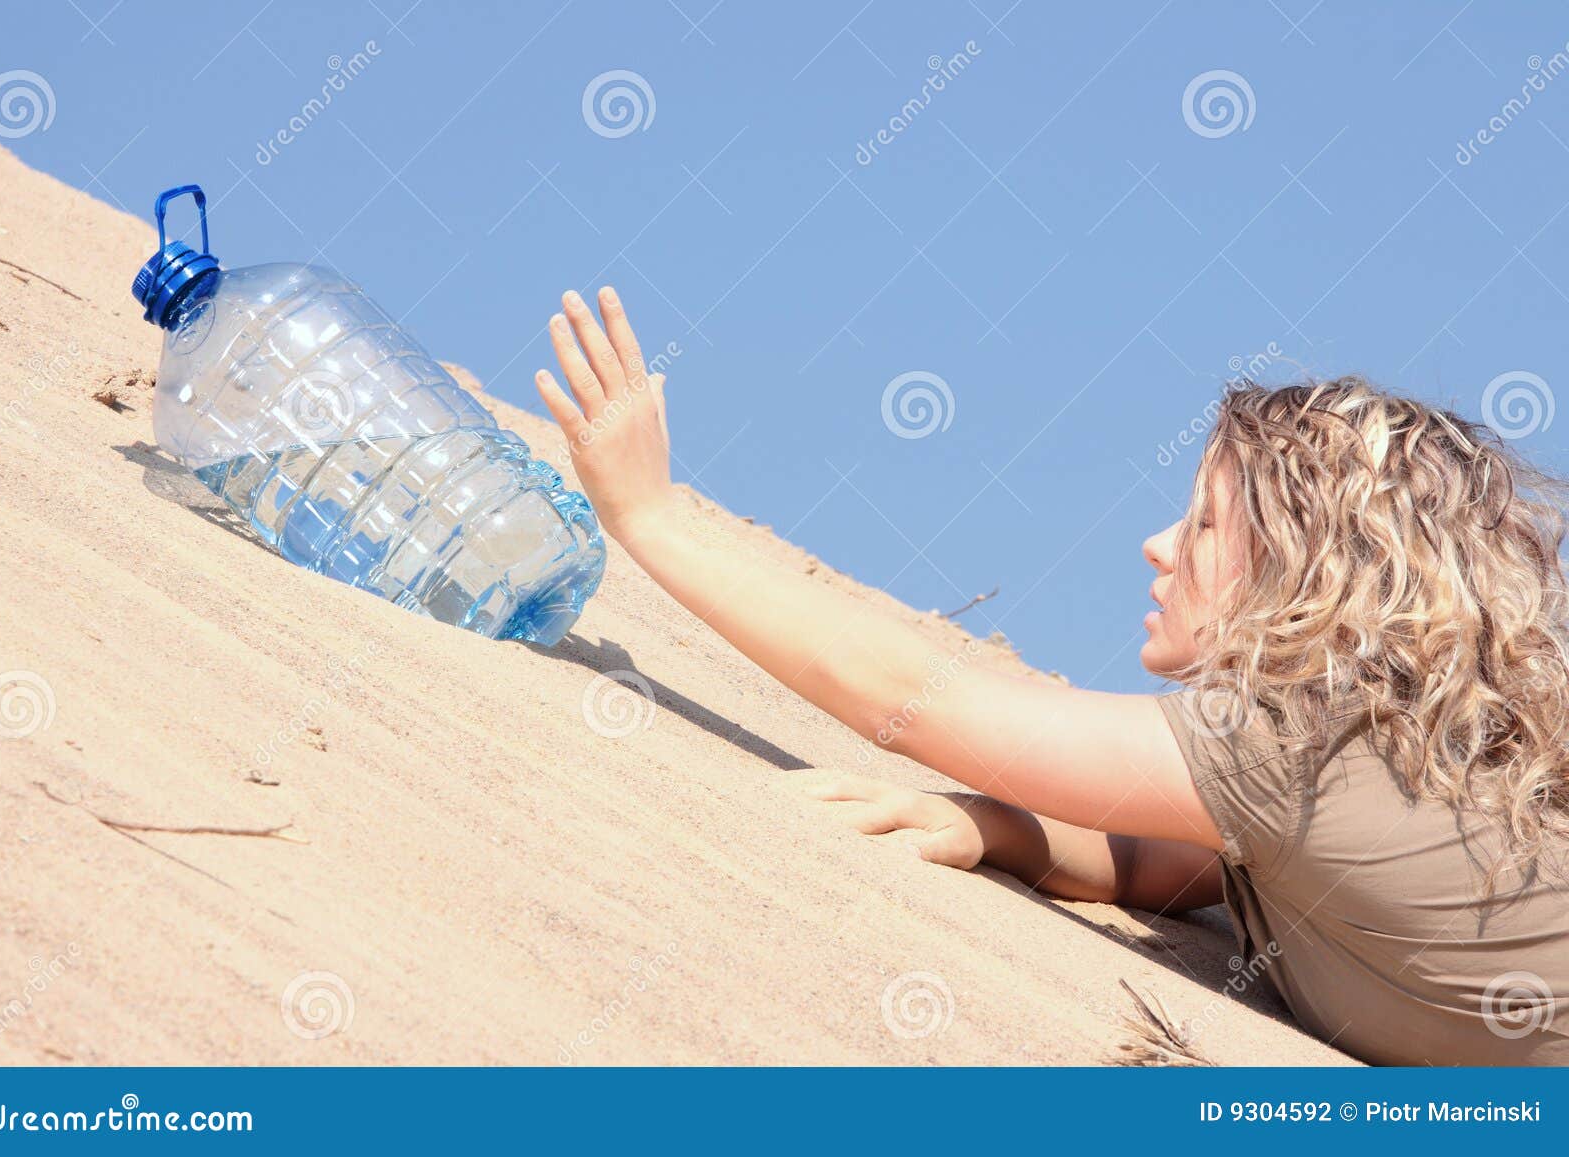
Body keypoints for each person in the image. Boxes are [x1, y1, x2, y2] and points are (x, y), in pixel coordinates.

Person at [533, 286, 1569, 1066]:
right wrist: (999, 829)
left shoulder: (1302, 746)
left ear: (1312, 562)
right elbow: (1160, 861)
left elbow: (910, 696)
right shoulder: (1379, 758)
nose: (1158, 546)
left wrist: (649, 515)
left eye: (1206, 520)